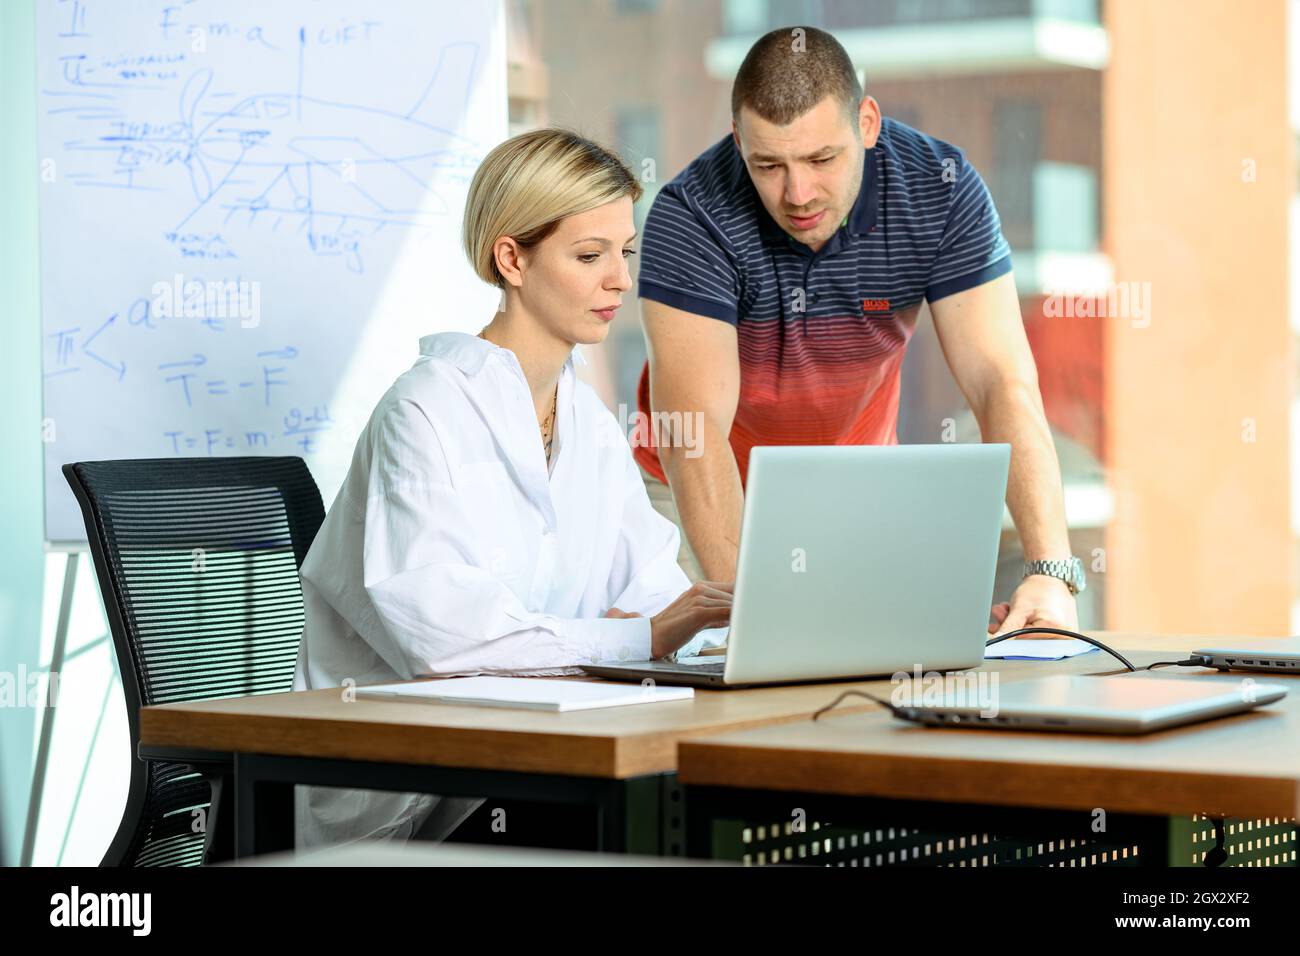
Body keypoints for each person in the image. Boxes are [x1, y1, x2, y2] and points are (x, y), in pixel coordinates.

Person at [291, 128, 732, 849]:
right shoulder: (423, 411)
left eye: (626, 252)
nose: (620, 280)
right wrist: (633, 635)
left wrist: (665, 625)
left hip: (541, 750)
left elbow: (651, 586)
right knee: (661, 821)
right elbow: (450, 642)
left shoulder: (587, 418)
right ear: (512, 258)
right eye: (590, 256)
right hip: (415, 791)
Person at [633, 25, 1086, 635]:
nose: (797, 193)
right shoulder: (691, 215)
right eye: (768, 164)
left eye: (822, 159)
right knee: (745, 675)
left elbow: (998, 381)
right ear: (739, 140)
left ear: (867, 123)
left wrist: (1051, 569)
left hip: (854, 480)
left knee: (876, 674)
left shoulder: (939, 189)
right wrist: (753, 612)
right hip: (696, 490)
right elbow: (694, 432)